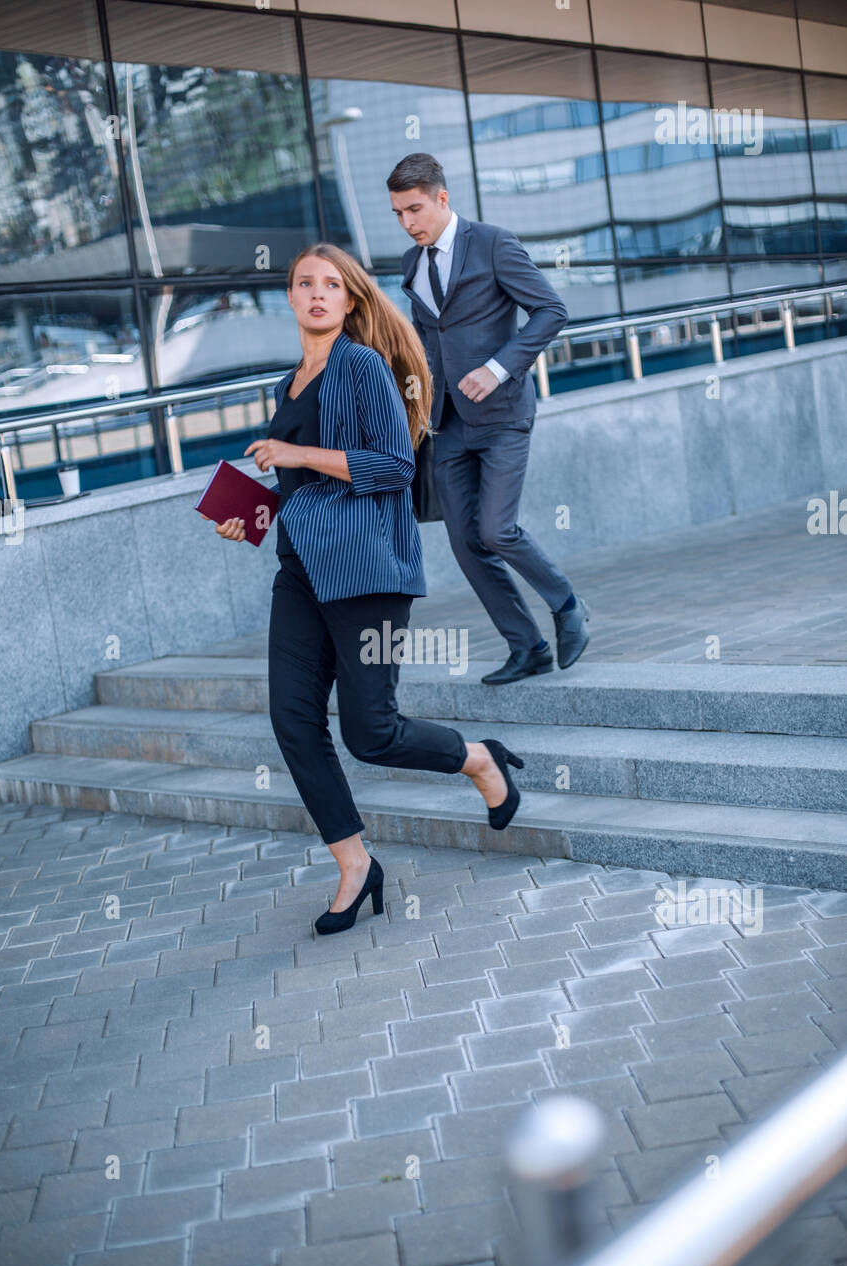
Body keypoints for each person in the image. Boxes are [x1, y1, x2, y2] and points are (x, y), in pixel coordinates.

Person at [203, 244, 525, 936]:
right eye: (304, 283)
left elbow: (391, 466)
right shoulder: (288, 383)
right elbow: (299, 491)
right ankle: (354, 864)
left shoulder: (362, 365)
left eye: (331, 285)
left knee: (371, 733)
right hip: (300, 571)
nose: (317, 294)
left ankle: (479, 758)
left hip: (365, 571)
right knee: (292, 720)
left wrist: (296, 454)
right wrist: (250, 517)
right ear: (289, 298)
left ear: (350, 300)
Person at [389, 152, 591, 685]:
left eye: (415, 209)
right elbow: (429, 343)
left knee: (498, 529)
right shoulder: (412, 265)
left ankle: (567, 604)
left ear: (441, 198)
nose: (409, 223)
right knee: (465, 543)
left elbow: (551, 310)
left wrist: (499, 368)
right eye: (399, 214)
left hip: (502, 414)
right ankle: (526, 647)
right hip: (447, 423)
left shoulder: (494, 242)